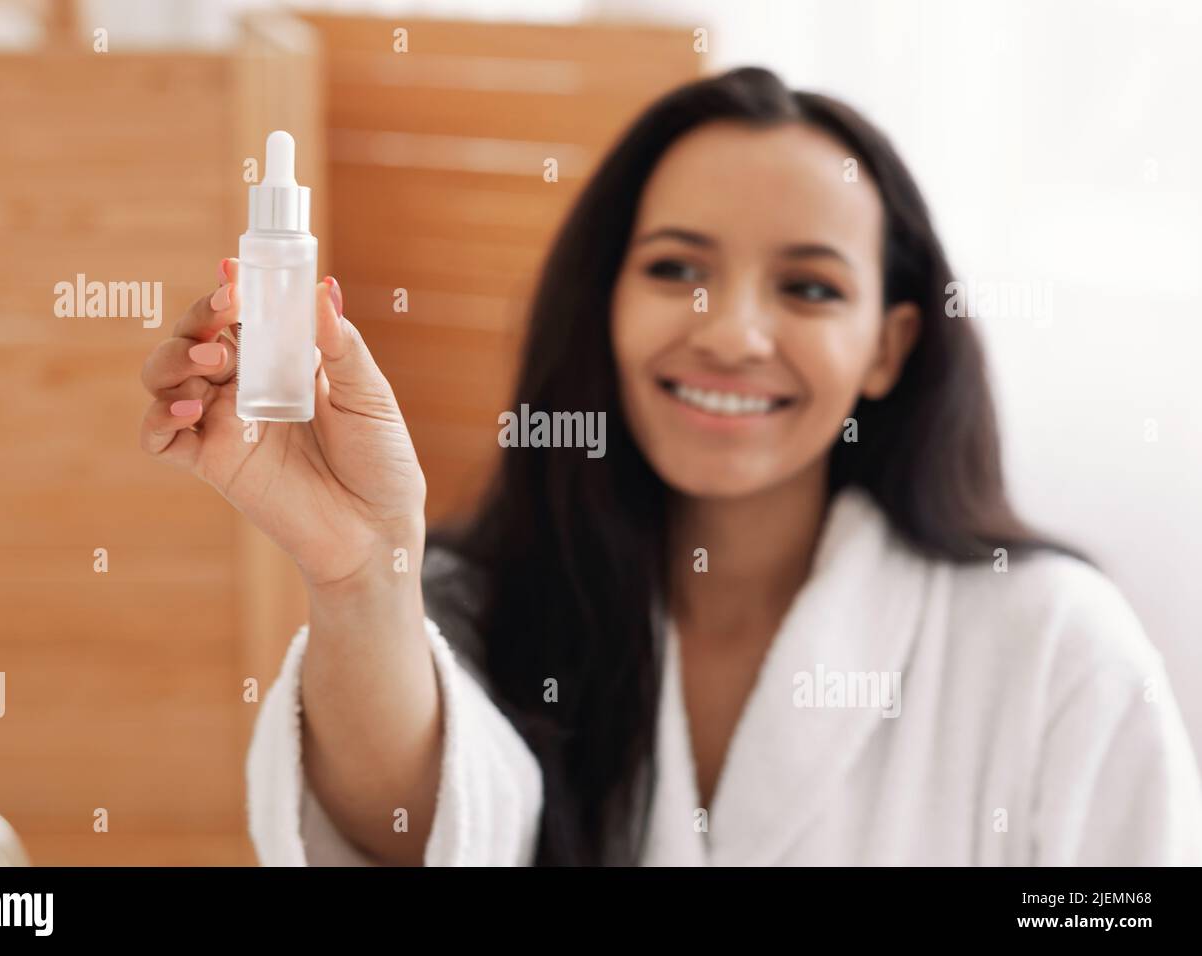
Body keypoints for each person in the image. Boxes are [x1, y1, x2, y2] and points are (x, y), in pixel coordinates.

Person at [138, 67, 1202, 866]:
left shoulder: (1054, 641)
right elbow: (420, 839)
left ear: (890, 345)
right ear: (605, 303)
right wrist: (363, 574)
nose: (731, 331)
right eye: (677, 268)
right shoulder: (484, 604)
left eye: (811, 288)